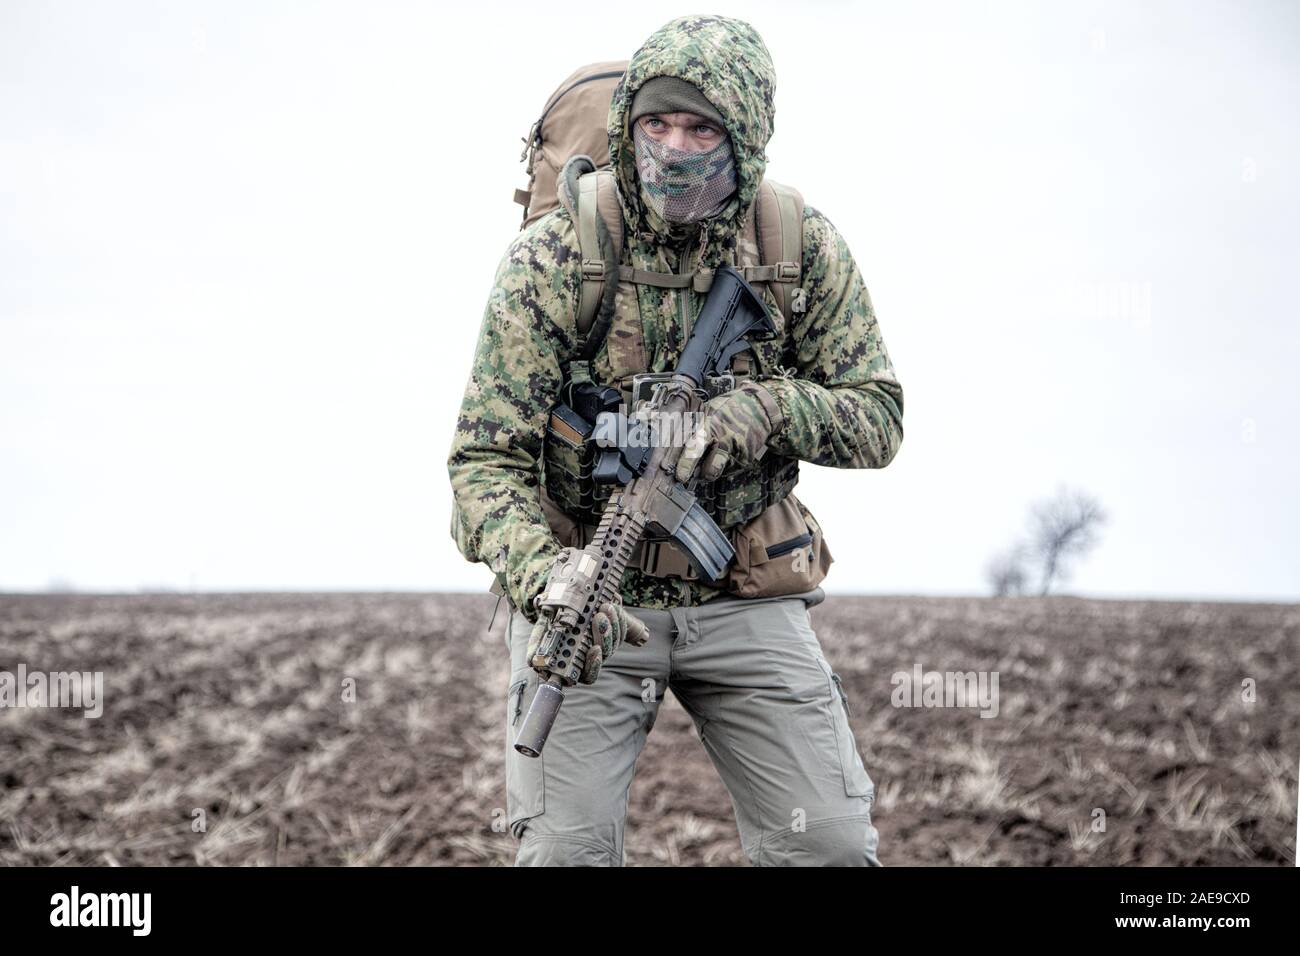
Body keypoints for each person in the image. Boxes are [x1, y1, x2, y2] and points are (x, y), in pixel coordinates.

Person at [448, 14, 903, 866]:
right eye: (656, 123)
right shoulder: (554, 261)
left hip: (741, 585)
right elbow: (484, 463)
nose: (675, 148)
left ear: (746, 136)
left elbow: (878, 417)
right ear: (627, 127)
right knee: (562, 857)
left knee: (832, 848)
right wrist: (544, 575)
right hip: (592, 596)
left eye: (701, 127)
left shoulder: (793, 245)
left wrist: (760, 413)